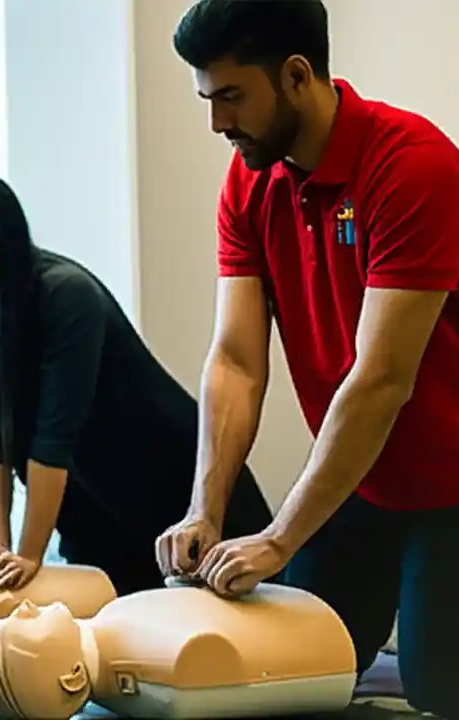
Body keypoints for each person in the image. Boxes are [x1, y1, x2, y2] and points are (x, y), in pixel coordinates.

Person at [161, 1, 459, 715]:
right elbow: (235, 360)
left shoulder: (414, 166)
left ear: (296, 75)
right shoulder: (249, 180)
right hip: (361, 482)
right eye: (208, 99)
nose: (217, 124)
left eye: (232, 97)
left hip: (451, 488)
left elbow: (381, 380)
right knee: (290, 672)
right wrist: (209, 506)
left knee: (437, 689)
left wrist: (277, 537)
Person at [0, 141, 273, 598]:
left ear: (7, 247)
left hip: (169, 484)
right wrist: (0, 547)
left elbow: (54, 436)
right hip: (88, 502)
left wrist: (29, 554)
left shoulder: (65, 295)